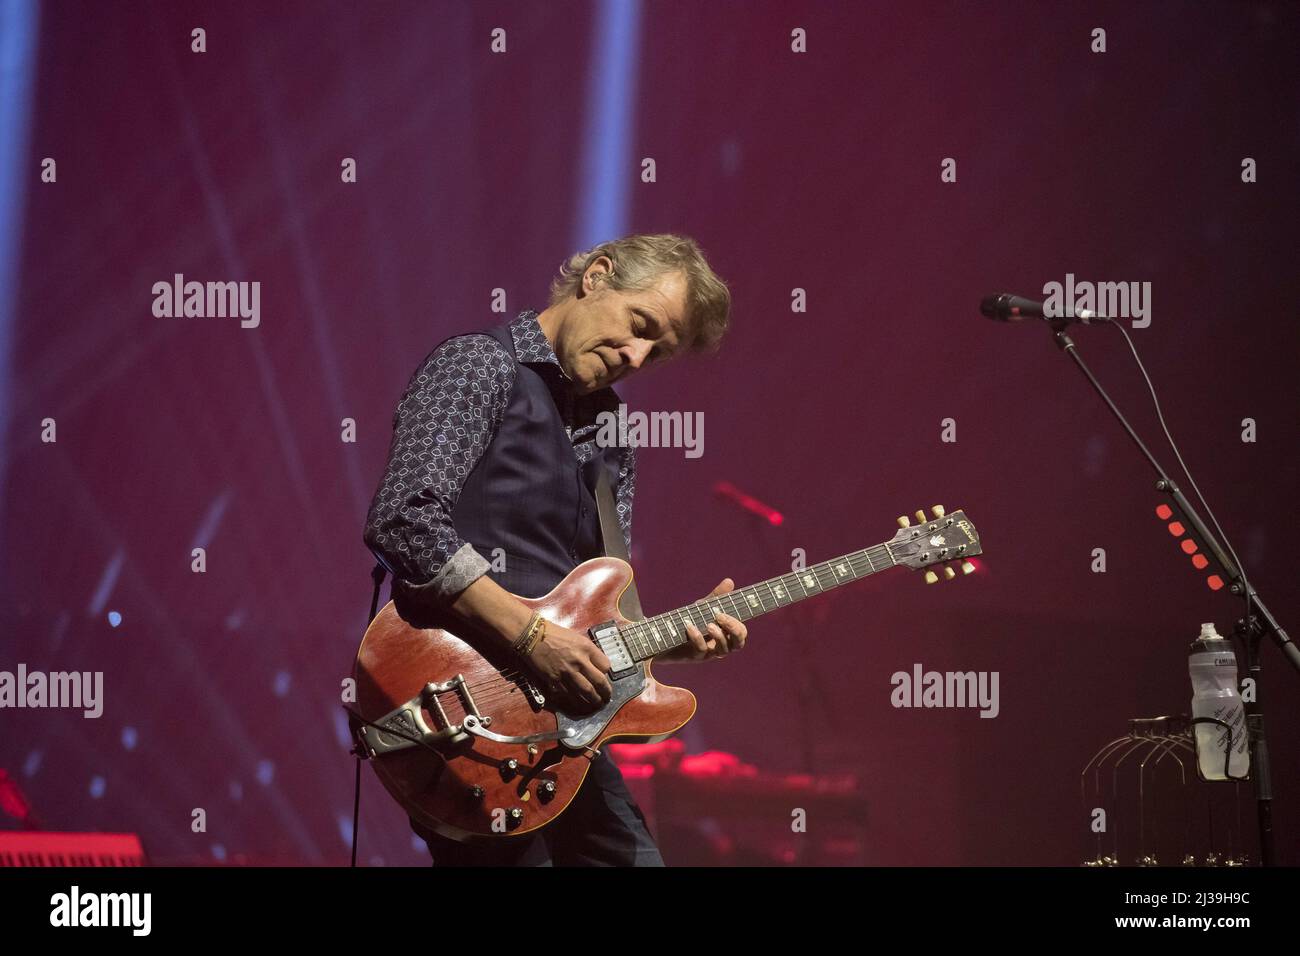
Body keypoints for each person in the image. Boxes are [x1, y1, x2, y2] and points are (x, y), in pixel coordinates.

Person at [362, 233, 748, 866]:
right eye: (639, 325)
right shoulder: (477, 364)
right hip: (458, 706)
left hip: (562, 732)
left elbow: (599, 614)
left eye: (655, 352)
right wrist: (533, 639)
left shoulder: (614, 431)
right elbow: (404, 520)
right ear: (597, 276)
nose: (635, 353)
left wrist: (665, 642)